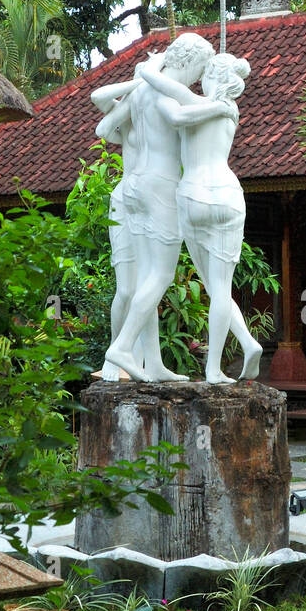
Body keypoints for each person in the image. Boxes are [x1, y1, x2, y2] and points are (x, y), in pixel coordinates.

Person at [90, 32, 221, 382]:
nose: (199, 78)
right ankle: (120, 350)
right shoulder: (169, 93)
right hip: (160, 187)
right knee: (159, 275)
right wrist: (222, 107)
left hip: (133, 186)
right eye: (201, 68)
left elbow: (104, 126)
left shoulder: (143, 91)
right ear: (191, 61)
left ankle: (153, 363)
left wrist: (143, 76)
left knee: (144, 280)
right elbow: (184, 118)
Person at [138, 52, 262, 384]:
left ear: (211, 78)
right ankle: (218, 367)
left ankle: (241, 350)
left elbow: (152, 80)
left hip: (190, 197)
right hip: (225, 196)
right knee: (220, 288)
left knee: (213, 287)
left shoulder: (190, 101)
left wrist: (155, 62)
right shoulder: (228, 110)